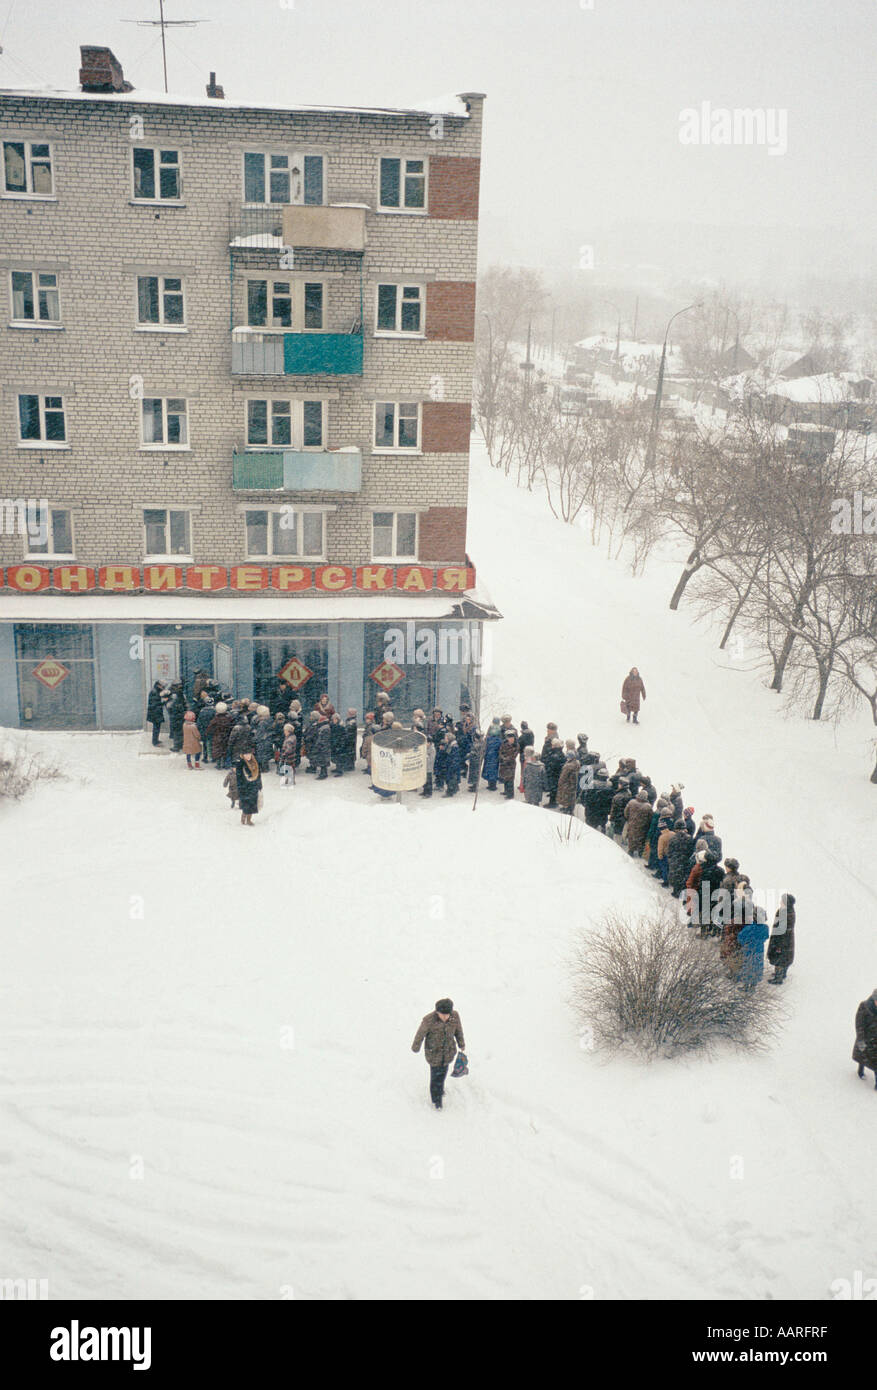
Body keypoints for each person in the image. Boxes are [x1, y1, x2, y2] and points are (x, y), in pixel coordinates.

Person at [411, 997, 466, 1110]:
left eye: (447, 1014)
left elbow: (458, 1031)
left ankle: (440, 1089)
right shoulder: (429, 1020)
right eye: (442, 1014)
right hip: (434, 1054)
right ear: (437, 1012)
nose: (445, 1017)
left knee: (443, 1073)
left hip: (448, 1052)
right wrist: (416, 1046)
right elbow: (420, 1034)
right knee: (435, 1077)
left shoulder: (455, 1017)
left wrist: (461, 1043)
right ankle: (436, 1101)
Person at [767, 893, 796, 985]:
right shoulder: (791, 911)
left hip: (781, 939)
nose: (780, 902)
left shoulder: (783, 913)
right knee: (786, 956)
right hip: (788, 939)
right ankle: (783, 973)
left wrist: (778, 944)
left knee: (779, 956)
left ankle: (778, 977)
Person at [738, 907, 769, 989]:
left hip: (749, 950)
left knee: (748, 967)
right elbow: (765, 937)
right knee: (757, 967)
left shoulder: (749, 928)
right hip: (759, 950)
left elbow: (740, 937)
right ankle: (753, 986)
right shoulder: (765, 928)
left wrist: (745, 943)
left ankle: (746, 986)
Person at [853, 989, 877, 1088]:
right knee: (862, 1057)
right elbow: (860, 1024)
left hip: (875, 1040)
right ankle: (860, 1071)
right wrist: (861, 1038)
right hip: (867, 1039)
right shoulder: (864, 1007)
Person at [234, 750, 262, 826]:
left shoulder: (255, 762)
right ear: (243, 755)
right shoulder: (240, 764)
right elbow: (239, 777)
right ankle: (243, 819)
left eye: (249, 754)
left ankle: (249, 820)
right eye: (246, 754)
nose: (248, 756)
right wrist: (240, 787)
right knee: (246, 805)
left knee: (252, 804)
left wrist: (259, 785)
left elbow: (259, 775)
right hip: (245, 787)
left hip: (254, 786)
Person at [624, 787, 652, 856]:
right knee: (641, 839)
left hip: (632, 824)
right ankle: (640, 852)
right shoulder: (648, 806)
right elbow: (650, 817)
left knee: (631, 837)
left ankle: (631, 851)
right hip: (642, 827)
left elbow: (626, 812)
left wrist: (629, 819)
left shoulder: (631, 802)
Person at [207, 701, 234, 769]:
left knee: (218, 750)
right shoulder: (229, 718)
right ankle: (225, 764)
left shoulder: (215, 719)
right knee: (225, 749)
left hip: (217, 737)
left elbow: (209, 729)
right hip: (226, 736)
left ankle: (219, 764)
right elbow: (231, 727)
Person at [544, 737, 565, 809]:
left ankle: (552, 803)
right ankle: (554, 801)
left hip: (554, 775)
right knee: (554, 789)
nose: (551, 745)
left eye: (552, 744)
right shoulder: (560, 753)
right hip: (557, 774)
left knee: (553, 789)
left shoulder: (555, 755)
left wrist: (548, 771)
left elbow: (552, 766)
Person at [481, 718, 502, 791]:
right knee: (494, 770)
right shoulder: (499, 739)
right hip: (495, 756)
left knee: (489, 769)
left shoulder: (489, 738)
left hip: (489, 755)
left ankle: (491, 784)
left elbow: (485, 743)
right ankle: (493, 784)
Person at [166, 680, 187, 752]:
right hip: (176, 715)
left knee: (178, 731)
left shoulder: (177, 693)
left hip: (177, 715)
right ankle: (178, 745)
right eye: (179, 685)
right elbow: (170, 706)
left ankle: (178, 745)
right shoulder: (174, 694)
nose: (180, 686)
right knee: (178, 731)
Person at [498, 730, 519, 800]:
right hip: (504, 764)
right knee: (505, 778)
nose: (511, 739)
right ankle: (506, 791)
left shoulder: (516, 745)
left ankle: (510, 794)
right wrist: (502, 758)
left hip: (511, 764)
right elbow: (500, 751)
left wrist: (506, 759)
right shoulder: (504, 743)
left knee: (510, 779)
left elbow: (514, 755)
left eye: (512, 738)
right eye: (509, 738)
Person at [146, 680, 167, 746]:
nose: (163, 688)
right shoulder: (155, 692)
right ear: (159, 685)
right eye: (162, 686)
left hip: (155, 712)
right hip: (155, 713)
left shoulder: (155, 690)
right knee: (156, 728)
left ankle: (155, 740)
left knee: (157, 727)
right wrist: (164, 702)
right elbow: (155, 704)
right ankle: (155, 742)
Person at [196, 696, 215, 764]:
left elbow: (199, 722)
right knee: (212, 743)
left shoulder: (202, 711)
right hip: (212, 730)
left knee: (205, 744)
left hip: (204, 730)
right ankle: (213, 757)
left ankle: (205, 757)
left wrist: (199, 729)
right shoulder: (214, 711)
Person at [517, 721, 535, 790]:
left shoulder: (522, 737)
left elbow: (519, 746)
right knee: (529, 770)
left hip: (523, 754)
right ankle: (528, 785)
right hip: (531, 753)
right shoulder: (531, 734)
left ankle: (522, 785)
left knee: (523, 771)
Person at [443, 733, 461, 797]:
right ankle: (455, 789)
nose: (445, 739)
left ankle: (449, 792)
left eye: (446, 738)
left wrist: (453, 765)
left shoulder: (454, 746)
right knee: (452, 778)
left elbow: (455, 757)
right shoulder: (449, 745)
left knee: (450, 779)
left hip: (452, 765)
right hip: (450, 764)